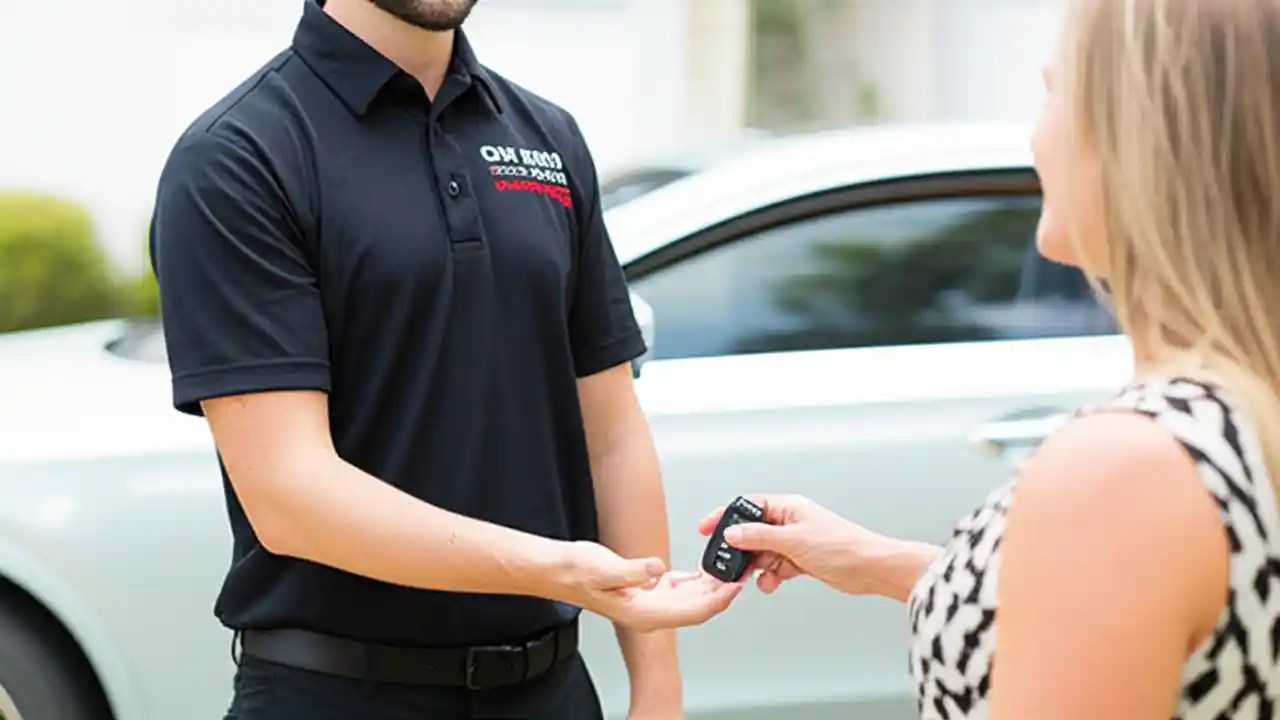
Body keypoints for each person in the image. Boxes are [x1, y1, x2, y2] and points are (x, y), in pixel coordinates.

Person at [149, 1, 741, 718]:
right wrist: (551, 568)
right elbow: (289, 495)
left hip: (552, 691)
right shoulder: (240, 153)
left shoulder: (547, 138)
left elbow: (611, 434)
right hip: (338, 694)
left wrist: (657, 689)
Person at [702, 0, 1280, 717]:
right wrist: (873, 560)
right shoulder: (1232, 418)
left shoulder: (1127, 471)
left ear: (1137, 137)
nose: (1036, 139)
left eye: (1053, 93)